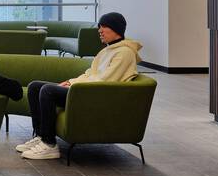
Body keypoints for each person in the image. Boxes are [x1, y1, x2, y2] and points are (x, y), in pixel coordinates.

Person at [18, 11, 142, 160]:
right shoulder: (108, 50)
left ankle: (49, 144)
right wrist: (71, 82)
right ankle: (41, 136)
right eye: (99, 27)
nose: (99, 31)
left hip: (94, 96)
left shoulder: (124, 53)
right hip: (85, 91)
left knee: (48, 91)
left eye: (104, 27)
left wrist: (73, 86)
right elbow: (90, 73)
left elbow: (104, 80)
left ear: (116, 29)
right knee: (34, 86)